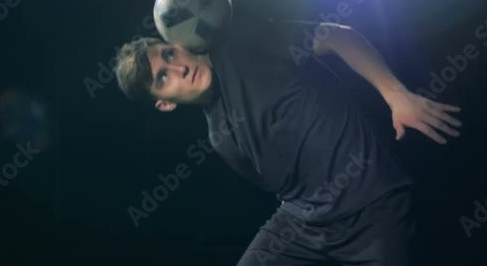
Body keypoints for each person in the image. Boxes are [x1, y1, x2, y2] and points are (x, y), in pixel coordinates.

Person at [114, 17, 461, 265]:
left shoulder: (244, 46)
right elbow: (282, 187)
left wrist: (396, 95)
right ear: (164, 103)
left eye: (169, 56)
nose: (178, 69)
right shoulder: (220, 138)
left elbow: (338, 36)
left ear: (177, 44)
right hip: (307, 226)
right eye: (163, 77)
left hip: (375, 207)